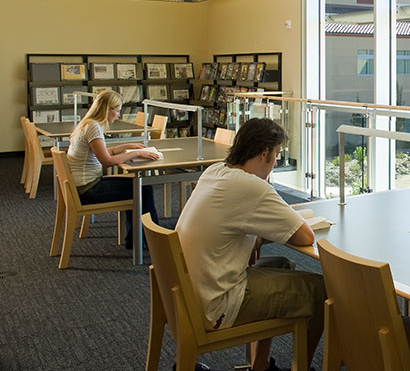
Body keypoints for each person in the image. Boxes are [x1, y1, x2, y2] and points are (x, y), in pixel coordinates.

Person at [176, 118, 325, 371]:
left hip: (190, 292)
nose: (276, 163)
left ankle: (260, 366)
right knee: (320, 291)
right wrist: (262, 235)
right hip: (217, 303)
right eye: (276, 155)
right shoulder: (251, 186)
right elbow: (305, 237)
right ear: (264, 153)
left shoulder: (214, 171)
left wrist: (257, 237)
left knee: (284, 264)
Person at [67, 89, 161, 249]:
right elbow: (107, 161)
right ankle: (154, 241)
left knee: (137, 186)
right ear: (107, 110)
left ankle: (136, 238)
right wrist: (137, 153)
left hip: (85, 185)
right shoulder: (93, 127)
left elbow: (104, 152)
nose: (118, 115)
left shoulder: (87, 123)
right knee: (143, 190)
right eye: (117, 111)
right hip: (88, 190)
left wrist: (127, 146)